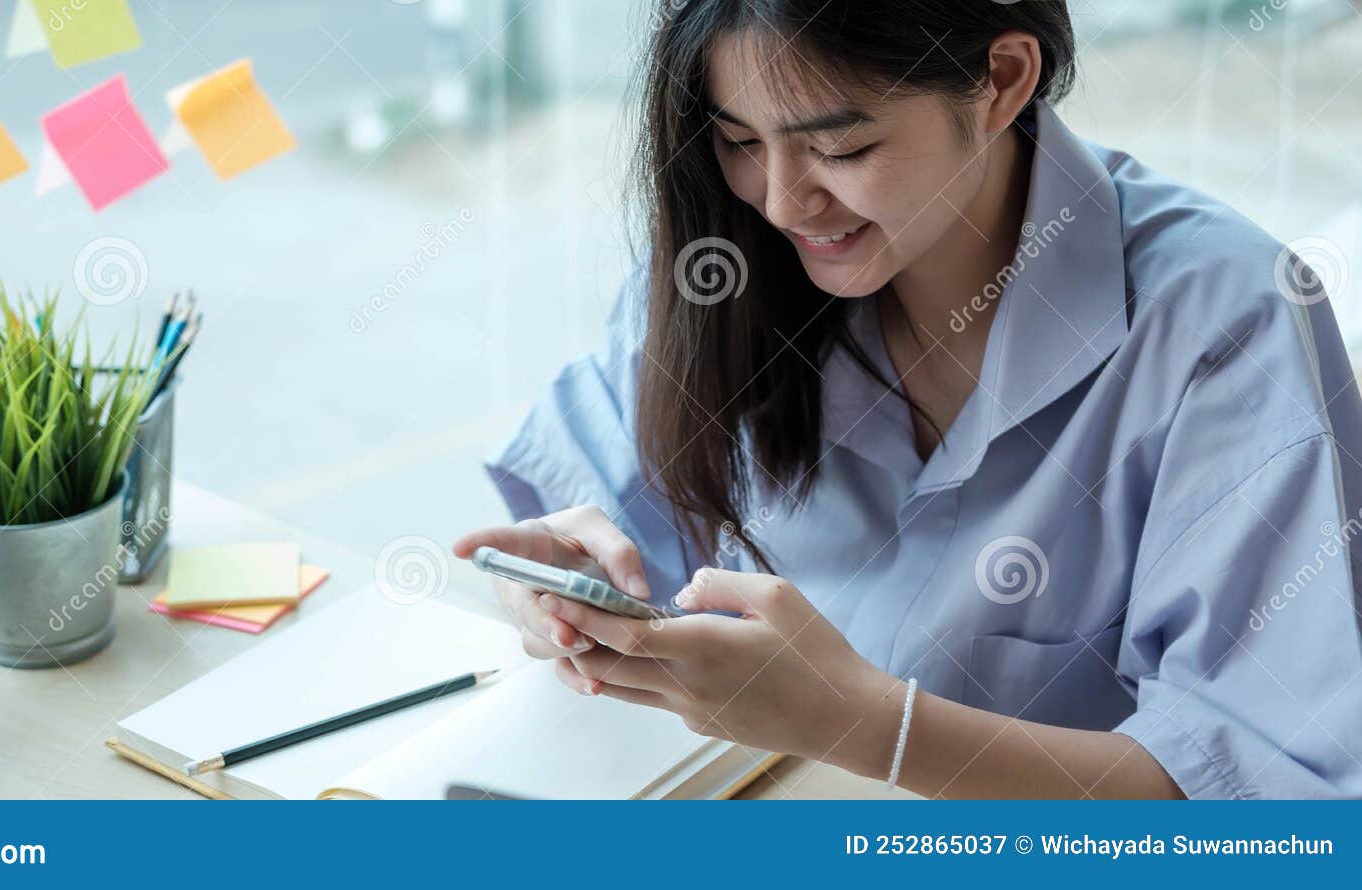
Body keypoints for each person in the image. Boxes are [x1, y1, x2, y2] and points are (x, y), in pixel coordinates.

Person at [453, 0, 1362, 799]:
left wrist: (867, 725)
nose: (781, 201)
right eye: (738, 141)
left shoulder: (1222, 321)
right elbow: (608, 534)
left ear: (1001, 79)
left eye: (841, 146)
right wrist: (560, 599)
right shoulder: (724, 264)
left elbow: (1274, 806)